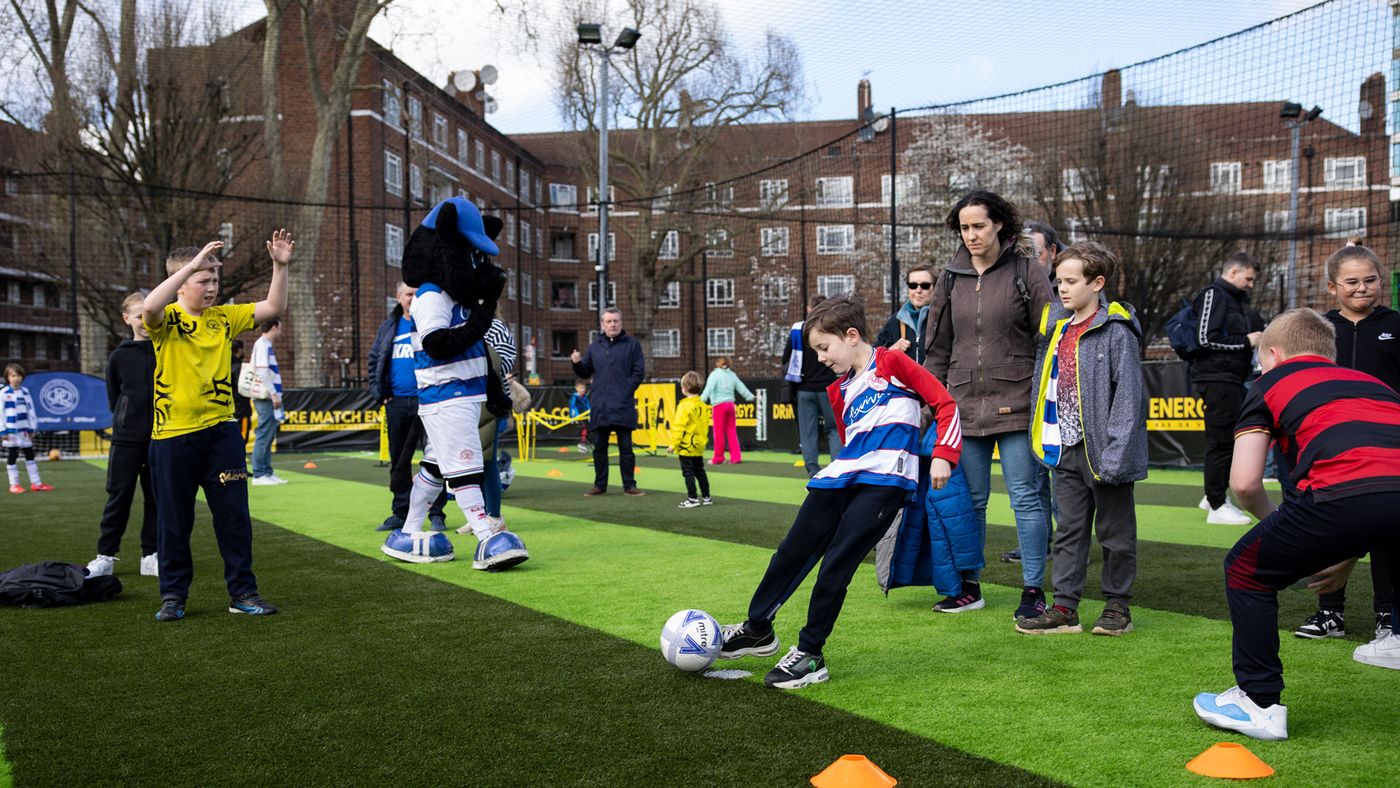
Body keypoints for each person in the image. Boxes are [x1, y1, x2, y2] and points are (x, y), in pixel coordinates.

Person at [717, 295, 962, 689]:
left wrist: (942, 455)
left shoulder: (893, 363)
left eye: (824, 348)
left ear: (851, 336)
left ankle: (811, 653)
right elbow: (850, 443)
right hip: (840, 476)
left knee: (836, 564)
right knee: (792, 550)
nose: (821, 359)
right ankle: (758, 628)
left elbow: (946, 404)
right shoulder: (839, 390)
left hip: (885, 483)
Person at [1194, 308, 1400, 741]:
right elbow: (1383, 483)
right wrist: (1340, 552)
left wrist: (1286, 529)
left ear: (1272, 353)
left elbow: (1246, 483)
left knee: (1245, 568)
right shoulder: (1378, 386)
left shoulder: (1270, 382)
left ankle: (1259, 703)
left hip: (1341, 499)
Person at [142, 231, 292, 621]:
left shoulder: (223, 318)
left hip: (222, 434)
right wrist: (192, 264)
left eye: (215, 280)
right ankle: (173, 597)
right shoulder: (166, 319)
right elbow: (151, 304)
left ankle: (243, 593)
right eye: (203, 280)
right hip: (172, 438)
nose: (212, 288)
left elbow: (274, 304)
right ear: (182, 283)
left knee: (234, 519)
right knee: (175, 521)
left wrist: (280, 266)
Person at [921, 190, 1054, 618]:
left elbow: (1049, 336)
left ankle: (1033, 590)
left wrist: (1042, 396)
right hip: (961, 406)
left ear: (998, 224)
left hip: (1016, 402)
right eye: (964, 227)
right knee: (970, 501)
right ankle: (969, 587)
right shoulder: (949, 278)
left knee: (1025, 498)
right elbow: (937, 349)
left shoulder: (1026, 270)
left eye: (979, 225)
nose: (971, 234)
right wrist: (930, 405)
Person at [387, 199, 527, 570]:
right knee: (466, 467)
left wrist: (495, 392)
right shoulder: (432, 294)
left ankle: (408, 529)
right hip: (445, 396)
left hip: (464, 394)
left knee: (435, 467)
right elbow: (436, 345)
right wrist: (482, 316)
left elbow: (478, 348)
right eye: (472, 255)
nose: (478, 264)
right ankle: (486, 535)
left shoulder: (455, 295)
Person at [1018, 242, 1147, 636]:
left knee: (1115, 534)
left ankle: (1116, 607)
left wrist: (1116, 456)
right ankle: (1064, 608)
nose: (1062, 289)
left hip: (1106, 455)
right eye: (1059, 281)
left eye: (1072, 281)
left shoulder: (1116, 332)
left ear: (1098, 283)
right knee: (1069, 532)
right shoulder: (1057, 329)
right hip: (1066, 450)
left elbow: (1128, 398)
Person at [1292, 244, 1398, 642]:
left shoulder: (1396, 325)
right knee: (1330, 526)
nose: (1362, 288)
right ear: (1333, 287)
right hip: (1331, 445)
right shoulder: (1318, 328)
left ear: (1381, 281)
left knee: (1388, 532)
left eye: (1370, 280)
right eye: (1351, 282)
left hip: (1388, 446)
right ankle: (1329, 613)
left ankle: (1388, 617)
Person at [86, 291, 158, 578]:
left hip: (161, 438)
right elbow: (114, 398)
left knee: (157, 499)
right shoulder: (119, 356)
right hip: (127, 440)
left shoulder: (167, 350)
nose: (144, 320)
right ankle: (105, 555)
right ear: (126, 318)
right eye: (139, 315)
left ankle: (150, 555)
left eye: (149, 314)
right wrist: (128, 423)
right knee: (119, 496)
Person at [1191, 252, 1264, 526]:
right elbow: (1205, 339)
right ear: (1233, 273)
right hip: (1217, 379)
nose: (1251, 285)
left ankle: (1212, 496)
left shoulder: (1234, 300)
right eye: (1249, 279)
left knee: (1227, 439)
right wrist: (1246, 341)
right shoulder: (1214, 294)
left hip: (1230, 379)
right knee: (1221, 441)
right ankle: (1216, 503)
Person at [367, 282, 448, 533]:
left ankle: (436, 513)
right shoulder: (389, 325)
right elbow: (373, 360)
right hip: (398, 403)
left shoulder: (432, 322)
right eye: (408, 294)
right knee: (399, 461)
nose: (412, 299)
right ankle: (400, 512)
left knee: (436, 460)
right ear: (398, 296)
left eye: (416, 294)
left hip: (429, 400)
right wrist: (379, 394)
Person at [571, 307, 646, 497]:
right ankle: (600, 485)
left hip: (623, 405)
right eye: (609, 321)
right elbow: (585, 372)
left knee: (626, 449)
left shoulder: (633, 345)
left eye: (615, 321)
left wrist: (624, 391)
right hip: (600, 406)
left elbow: (638, 373)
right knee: (600, 449)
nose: (612, 324)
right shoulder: (595, 346)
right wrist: (577, 362)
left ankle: (629, 485)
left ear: (621, 323)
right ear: (603, 324)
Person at [782, 294, 841, 477]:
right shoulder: (833, 328)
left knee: (808, 433)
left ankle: (813, 472)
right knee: (834, 429)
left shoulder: (798, 329)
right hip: (829, 388)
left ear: (809, 308)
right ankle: (837, 469)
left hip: (804, 389)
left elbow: (786, 359)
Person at [2, 363, 50, 493]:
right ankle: (14, 484)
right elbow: (0, 413)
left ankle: (36, 483)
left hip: (24, 431)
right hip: (11, 431)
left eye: (18, 375)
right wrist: (2, 431)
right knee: (13, 455)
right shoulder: (3, 393)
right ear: (7, 377)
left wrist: (32, 428)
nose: (16, 378)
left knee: (30, 454)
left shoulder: (25, 392)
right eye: (13, 375)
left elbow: (31, 411)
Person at [873, 263, 935, 364]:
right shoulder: (896, 320)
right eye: (913, 285)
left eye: (925, 286)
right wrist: (891, 349)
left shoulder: (943, 319)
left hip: (934, 379)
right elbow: (874, 356)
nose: (918, 291)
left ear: (935, 289)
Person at [249, 318, 286, 485]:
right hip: (265, 397)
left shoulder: (264, 345)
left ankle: (266, 471)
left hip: (269, 396)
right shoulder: (262, 344)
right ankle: (259, 473)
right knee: (264, 434)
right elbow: (263, 372)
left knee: (268, 434)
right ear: (275, 326)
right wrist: (274, 394)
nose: (281, 330)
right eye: (280, 326)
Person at [670, 370, 712, 509]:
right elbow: (705, 425)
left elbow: (679, 427)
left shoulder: (684, 405)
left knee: (688, 472)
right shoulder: (703, 405)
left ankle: (692, 499)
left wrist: (674, 445)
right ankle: (706, 497)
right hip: (698, 445)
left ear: (685, 388)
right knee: (700, 471)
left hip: (686, 446)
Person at [700, 356, 753, 465]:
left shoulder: (714, 375)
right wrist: (750, 397)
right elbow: (741, 386)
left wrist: (700, 401)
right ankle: (736, 457)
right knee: (731, 432)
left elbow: (708, 388)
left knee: (719, 433)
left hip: (719, 406)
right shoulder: (732, 375)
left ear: (718, 363)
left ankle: (719, 458)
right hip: (730, 405)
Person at [230, 340, 252, 441]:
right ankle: (240, 457)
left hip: (230, 408)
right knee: (242, 437)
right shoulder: (239, 368)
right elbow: (242, 388)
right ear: (239, 350)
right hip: (241, 407)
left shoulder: (225, 366)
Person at [569, 380, 590, 453]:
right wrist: (573, 416)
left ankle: (582, 444)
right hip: (577, 416)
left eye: (584, 388)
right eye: (581, 388)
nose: (583, 390)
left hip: (584, 415)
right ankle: (582, 443)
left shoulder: (585, 397)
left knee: (585, 428)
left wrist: (590, 414)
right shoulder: (575, 397)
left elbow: (588, 406)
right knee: (583, 428)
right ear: (576, 388)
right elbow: (572, 406)